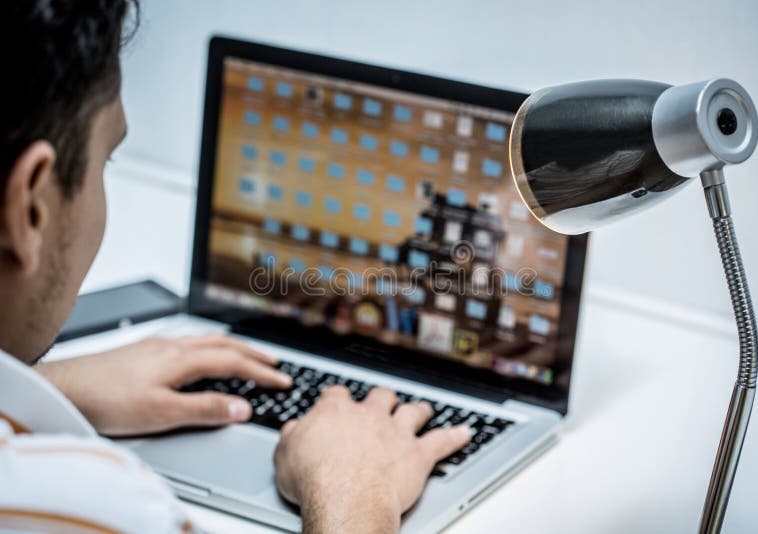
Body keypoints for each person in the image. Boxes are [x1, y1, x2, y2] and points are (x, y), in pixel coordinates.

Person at [0, 2, 472, 532]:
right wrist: (354, 494)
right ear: (30, 207)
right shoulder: (96, 507)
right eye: (106, 161)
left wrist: (48, 388)